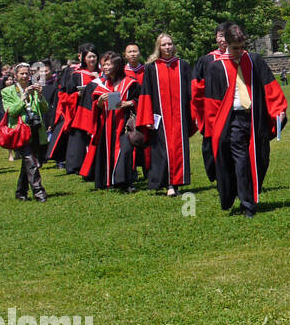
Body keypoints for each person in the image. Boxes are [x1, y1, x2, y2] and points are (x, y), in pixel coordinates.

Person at [200, 24, 288, 217]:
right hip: (233, 121)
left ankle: (249, 194)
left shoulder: (254, 60)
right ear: (227, 45)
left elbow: (270, 87)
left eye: (242, 47)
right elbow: (212, 102)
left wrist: (279, 109)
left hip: (256, 118)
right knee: (241, 161)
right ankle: (248, 205)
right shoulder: (216, 67)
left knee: (261, 158)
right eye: (235, 48)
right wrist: (214, 129)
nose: (239, 52)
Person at [135, 33, 196, 197]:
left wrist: (194, 113)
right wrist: (147, 117)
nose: (167, 47)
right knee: (163, 150)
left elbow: (191, 92)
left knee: (179, 149)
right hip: (159, 116)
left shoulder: (183, 65)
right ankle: (168, 183)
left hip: (180, 115)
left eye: (170, 44)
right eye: (164, 45)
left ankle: (177, 182)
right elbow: (146, 94)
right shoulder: (151, 67)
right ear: (158, 47)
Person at [81, 51, 141, 192]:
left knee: (124, 151)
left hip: (124, 124)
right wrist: (100, 103)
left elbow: (141, 101)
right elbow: (96, 107)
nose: (104, 66)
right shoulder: (102, 85)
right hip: (106, 126)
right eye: (104, 64)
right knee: (108, 152)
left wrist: (129, 103)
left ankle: (125, 182)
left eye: (108, 64)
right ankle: (108, 181)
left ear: (117, 65)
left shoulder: (130, 83)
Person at [1, 62, 49, 201]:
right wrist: (23, 97)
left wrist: (39, 96)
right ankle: (39, 192)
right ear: (15, 76)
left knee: (27, 163)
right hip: (19, 130)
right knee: (31, 160)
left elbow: (45, 109)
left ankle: (21, 192)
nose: (25, 76)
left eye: (27, 73)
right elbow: (11, 111)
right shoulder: (7, 91)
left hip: (35, 129)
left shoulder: (34, 89)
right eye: (21, 73)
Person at [192, 23, 231, 183]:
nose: (223, 39)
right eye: (220, 36)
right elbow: (196, 87)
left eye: (226, 35)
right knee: (212, 143)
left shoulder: (241, 58)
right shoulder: (207, 60)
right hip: (212, 110)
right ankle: (217, 173)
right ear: (215, 38)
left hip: (235, 109)